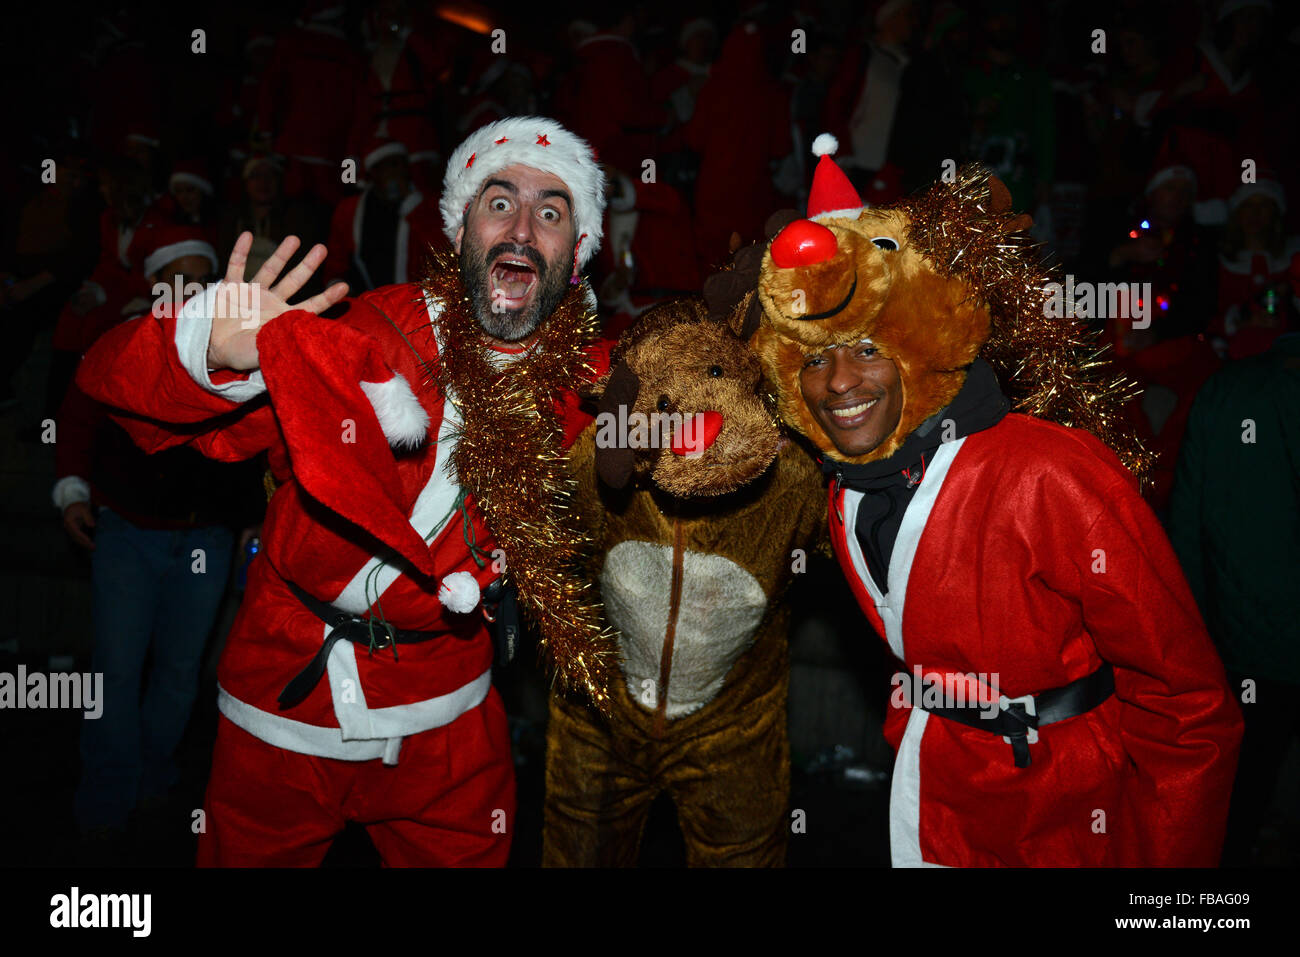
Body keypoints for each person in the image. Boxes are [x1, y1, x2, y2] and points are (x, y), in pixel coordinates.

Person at [75, 116, 611, 866]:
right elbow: (113, 382)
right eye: (500, 202)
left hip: (447, 716)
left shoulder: (587, 386)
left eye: (552, 212)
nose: (522, 227)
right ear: (460, 230)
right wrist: (212, 349)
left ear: (576, 256)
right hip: (286, 697)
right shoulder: (365, 332)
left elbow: (700, 418)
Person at [747, 141, 1243, 866]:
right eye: (815, 358)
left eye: (865, 347)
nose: (839, 383)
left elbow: (1188, 703)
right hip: (931, 801)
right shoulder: (847, 486)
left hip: (1067, 817)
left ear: (917, 341)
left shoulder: (1051, 472)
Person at [55, 228, 264, 847]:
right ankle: (106, 794)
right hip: (127, 531)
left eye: (201, 277)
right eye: (178, 276)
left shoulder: (229, 347)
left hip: (205, 539)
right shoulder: (120, 342)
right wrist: (71, 488)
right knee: (117, 671)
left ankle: (153, 778)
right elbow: (76, 417)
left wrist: (254, 510)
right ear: (154, 282)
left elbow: (256, 436)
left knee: (178, 670)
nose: (188, 288)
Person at [1167, 330, 1300, 866]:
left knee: (1236, 804)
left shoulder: (1225, 390)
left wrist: (1190, 642)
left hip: (1243, 645)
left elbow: (1186, 525)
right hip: (1257, 640)